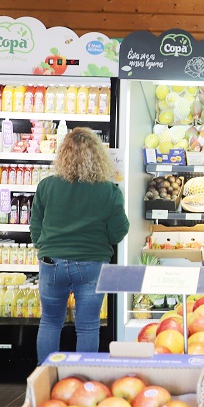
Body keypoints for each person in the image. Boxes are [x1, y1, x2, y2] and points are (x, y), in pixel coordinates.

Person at [30, 127, 128, 363]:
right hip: (91, 263)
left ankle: (47, 378)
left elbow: (35, 227)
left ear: (63, 155)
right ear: (98, 156)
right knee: (87, 327)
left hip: (51, 262)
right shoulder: (109, 191)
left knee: (50, 322)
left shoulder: (47, 186)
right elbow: (118, 231)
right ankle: (83, 381)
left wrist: (44, 246)